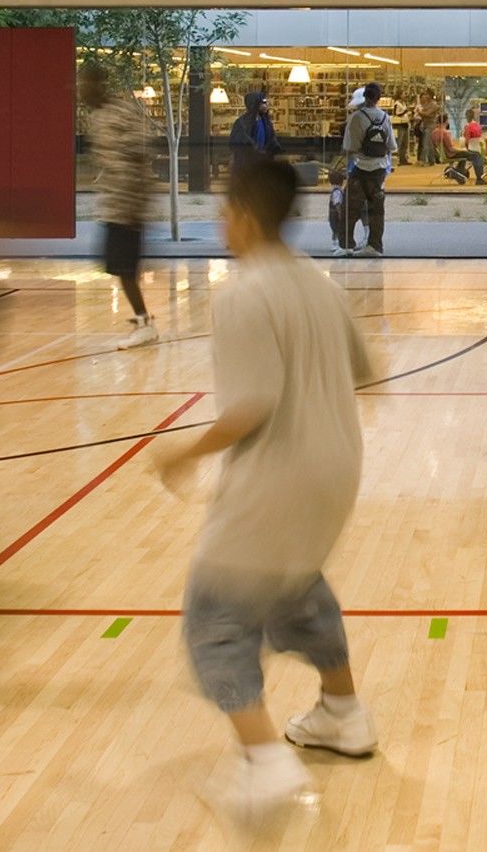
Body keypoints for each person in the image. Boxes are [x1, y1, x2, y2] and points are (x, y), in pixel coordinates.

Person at [154, 154, 378, 826]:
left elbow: (251, 404)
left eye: (224, 210)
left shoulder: (244, 293)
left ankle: (265, 763)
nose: (220, 222)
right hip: (338, 471)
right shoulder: (321, 284)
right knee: (295, 589)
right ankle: (344, 715)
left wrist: (182, 454)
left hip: (279, 478)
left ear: (245, 218)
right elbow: (368, 370)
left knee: (214, 621)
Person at [81, 68, 160, 348]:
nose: (81, 93)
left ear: (98, 86)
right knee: (118, 266)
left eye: (85, 85)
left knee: (125, 269)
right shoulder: (97, 117)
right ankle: (141, 317)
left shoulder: (121, 113)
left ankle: (144, 322)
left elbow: (140, 154)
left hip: (128, 204)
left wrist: (135, 205)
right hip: (114, 204)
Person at [338, 82, 394, 258]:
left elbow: (350, 146)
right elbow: (391, 145)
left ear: (364, 97)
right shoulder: (385, 117)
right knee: (377, 209)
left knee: (350, 207)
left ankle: (347, 244)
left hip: (360, 167)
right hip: (378, 169)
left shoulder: (356, 117)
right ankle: (375, 245)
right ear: (379, 98)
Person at [228, 89, 278, 175]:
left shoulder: (265, 122)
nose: (267, 105)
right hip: (247, 166)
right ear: (255, 104)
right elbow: (235, 143)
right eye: (264, 103)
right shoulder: (241, 123)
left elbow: (271, 139)